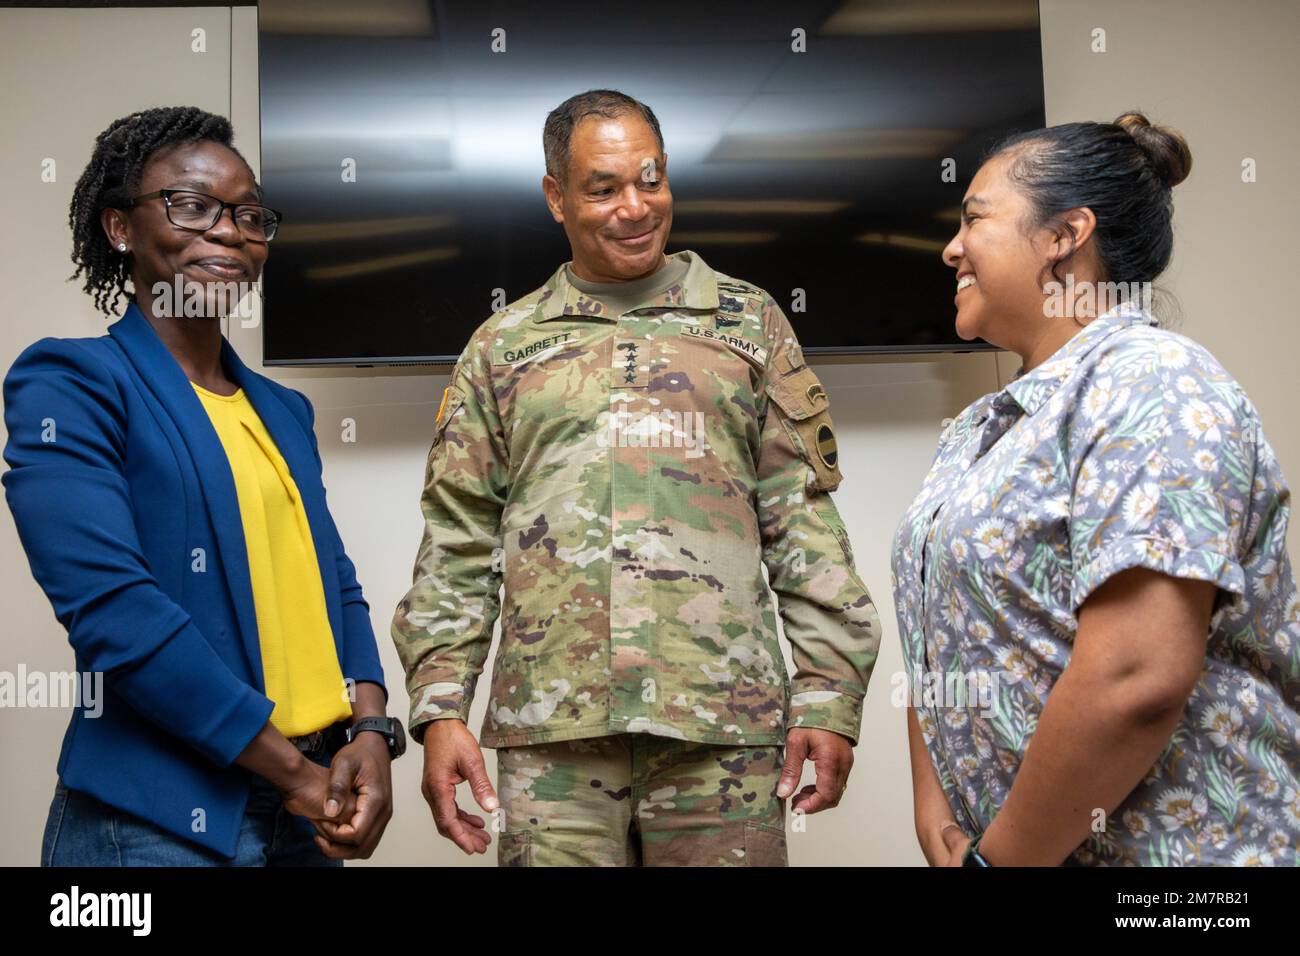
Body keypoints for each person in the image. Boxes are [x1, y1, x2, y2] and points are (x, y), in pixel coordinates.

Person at [392, 89, 881, 866]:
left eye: (651, 180)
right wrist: (441, 706)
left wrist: (828, 693)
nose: (635, 207)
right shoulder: (503, 346)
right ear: (557, 197)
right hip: (554, 735)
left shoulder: (746, 324)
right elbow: (458, 540)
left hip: (723, 726)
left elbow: (802, 524)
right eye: (604, 187)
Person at [891, 111, 1299, 866]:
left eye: (974, 220)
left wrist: (1000, 861)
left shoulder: (1154, 384)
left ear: (1063, 237)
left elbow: (1136, 677)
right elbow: (936, 634)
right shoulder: (982, 427)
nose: (951, 248)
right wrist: (935, 812)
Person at [3, 106, 403, 866]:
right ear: (120, 228)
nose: (229, 231)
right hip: (155, 824)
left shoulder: (284, 410)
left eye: (250, 216)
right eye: (191, 206)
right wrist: (294, 775)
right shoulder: (74, 382)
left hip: (305, 811)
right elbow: (114, 614)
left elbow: (336, 587)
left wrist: (373, 731)